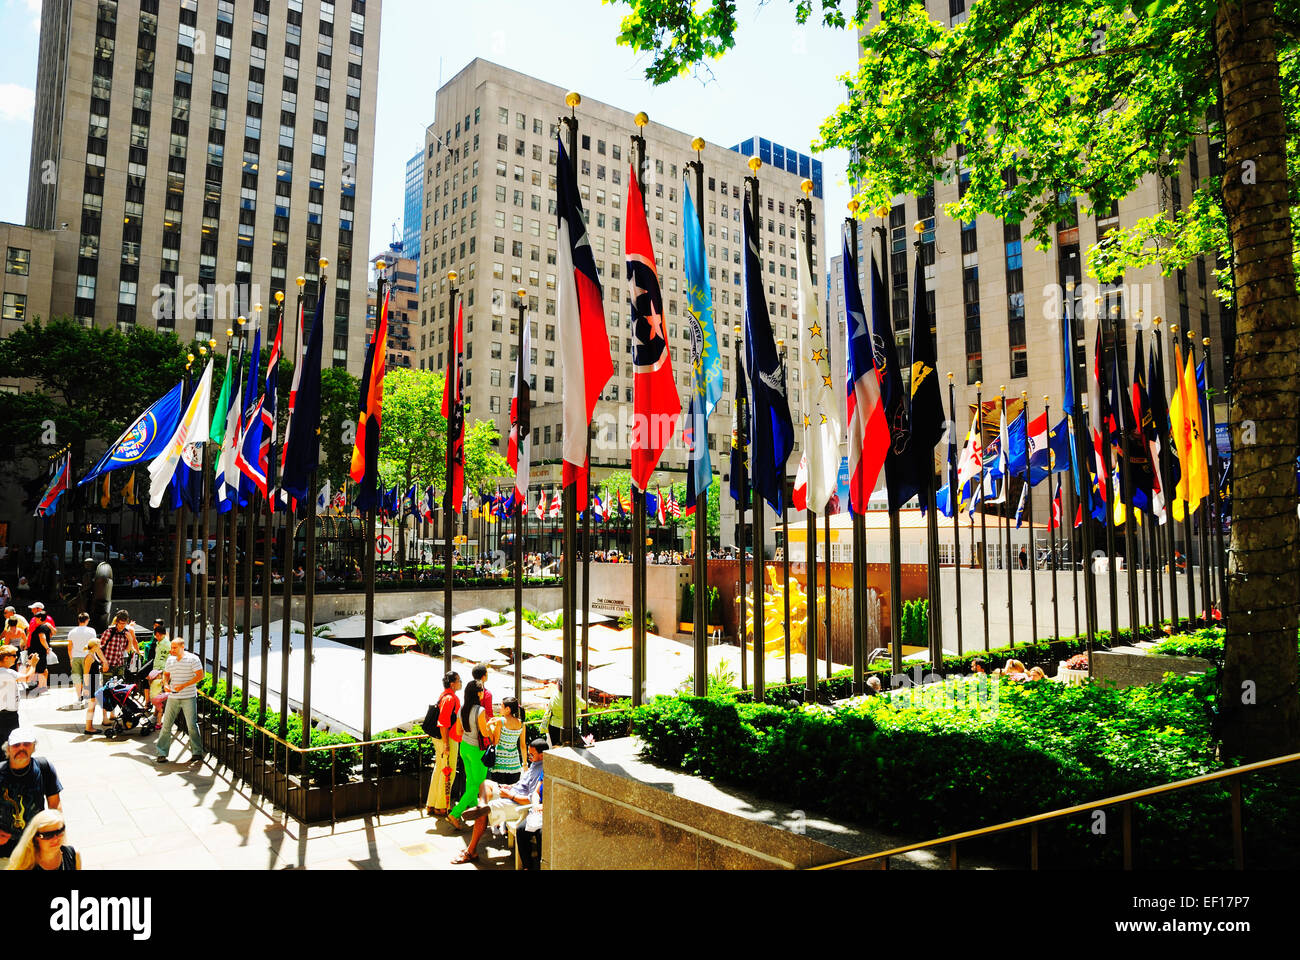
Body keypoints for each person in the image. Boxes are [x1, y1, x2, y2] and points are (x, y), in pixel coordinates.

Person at [453, 738, 546, 865]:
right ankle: (482, 805)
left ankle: (471, 851)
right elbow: (524, 784)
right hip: (513, 792)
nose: (529, 757)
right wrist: (511, 786)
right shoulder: (535, 764)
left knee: (483, 814)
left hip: (518, 803)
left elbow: (531, 799)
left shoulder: (544, 771)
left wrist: (510, 795)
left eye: (532, 754)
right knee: (486, 783)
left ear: (542, 755)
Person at [0, 728, 62, 863]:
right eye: (16, 745)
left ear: (33, 747)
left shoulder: (44, 767)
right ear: (8, 749)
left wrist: (56, 835)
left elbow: (55, 806)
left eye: (26, 744)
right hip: (4, 851)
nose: (21, 748)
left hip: (36, 847)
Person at [445, 679, 495, 830]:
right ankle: (455, 813)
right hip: (476, 750)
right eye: (482, 691)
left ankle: (473, 809)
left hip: (464, 747)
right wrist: (490, 725)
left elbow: (459, 731)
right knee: (477, 784)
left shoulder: (462, 709)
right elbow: (485, 733)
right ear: (478, 694)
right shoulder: (480, 711)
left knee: (470, 781)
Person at [154, 638, 205, 766]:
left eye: (174, 648)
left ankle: (197, 752)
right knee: (166, 725)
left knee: (192, 725)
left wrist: (183, 685)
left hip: (188, 697)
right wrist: (166, 684)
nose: (171, 650)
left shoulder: (193, 659)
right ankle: (161, 753)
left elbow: (200, 675)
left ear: (182, 647)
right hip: (173, 697)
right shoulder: (170, 660)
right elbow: (166, 675)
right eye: (171, 647)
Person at [425, 671, 462, 817]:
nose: (460, 683)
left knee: (440, 769)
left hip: (442, 738)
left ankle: (432, 804)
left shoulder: (444, 696)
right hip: (447, 739)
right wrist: (446, 744)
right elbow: (444, 723)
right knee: (448, 771)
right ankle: (441, 806)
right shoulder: (450, 698)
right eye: (459, 681)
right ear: (452, 683)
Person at [4, 807, 79, 870]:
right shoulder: (25, 865)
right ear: (35, 838)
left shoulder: (72, 855)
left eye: (59, 832)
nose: (55, 839)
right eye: (47, 835)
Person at [0, 647, 36, 746]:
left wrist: (29, 664)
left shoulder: (6, 671)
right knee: (10, 744)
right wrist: (33, 665)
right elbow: (27, 678)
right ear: (6, 658)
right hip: (7, 716)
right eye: (14, 655)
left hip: (6, 714)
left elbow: (22, 675)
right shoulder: (5, 672)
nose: (16, 657)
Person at [488, 697, 526, 786]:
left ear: (508, 709)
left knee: (499, 794)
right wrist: (525, 764)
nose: (499, 708)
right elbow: (523, 746)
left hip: (499, 764)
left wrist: (489, 727)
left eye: (501, 706)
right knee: (512, 793)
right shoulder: (521, 724)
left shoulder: (501, 722)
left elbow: (495, 742)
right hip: (515, 765)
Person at [541, 678, 586, 747]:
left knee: (556, 748)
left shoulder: (554, 695)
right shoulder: (572, 696)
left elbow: (549, 708)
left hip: (554, 726)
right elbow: (584, 705)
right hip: (570, 726)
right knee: (570, 749)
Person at [99, 609, 139, 679]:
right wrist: (104, 662)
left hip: (120, 665)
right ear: (117, 622)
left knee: (119, 688)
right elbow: (99, 649)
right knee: (107, 688)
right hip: (108, 664)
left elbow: (127, 650)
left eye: (124, 623)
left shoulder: (126, 633)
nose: (122, 625)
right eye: (120, 623)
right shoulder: (109, 632)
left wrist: (130, 640)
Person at [66, 612, 96, 701]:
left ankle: (79, 697)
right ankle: (86, 697)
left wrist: (71, 659)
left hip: (75, 657)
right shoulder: (91, 631)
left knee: (77, 678)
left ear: (78, 620)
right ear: (87, 620)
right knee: (87, 677)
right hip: (87, 656)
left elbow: (69, 647)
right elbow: (93, 645)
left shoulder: (72, 632)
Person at [81, 639, 108, 734]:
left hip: (94, 683)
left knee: (92, 707)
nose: (100, 646)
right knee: (91, 707)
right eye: (99, 645)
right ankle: (88, 727)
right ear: (95, 646)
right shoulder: (89, 656)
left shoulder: (93, 655)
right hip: (91, 684)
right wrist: (86, 687)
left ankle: (89, 726)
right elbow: (86, 673)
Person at [147, 623, 171, 722]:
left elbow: (167, 658)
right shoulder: (161, 642)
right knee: (156, 694)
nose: (156, 637)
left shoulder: (166, 644)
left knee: (157, 694)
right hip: (158, 670)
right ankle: (155, 715)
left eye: (157, 635)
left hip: (160, 671)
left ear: (160, 634)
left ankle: (156, 716)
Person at [27, 618, 54, 693]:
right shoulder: (45, 627)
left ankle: (41, 687)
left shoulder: (41, 628)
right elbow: (52, 633)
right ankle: (42, 686)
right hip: (40, 651)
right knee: (42, 669)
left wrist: (47, 648)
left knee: (40, 669)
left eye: (36, 619)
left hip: (39, 652)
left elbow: (42, 638)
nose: (35, 620)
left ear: (40, 618)